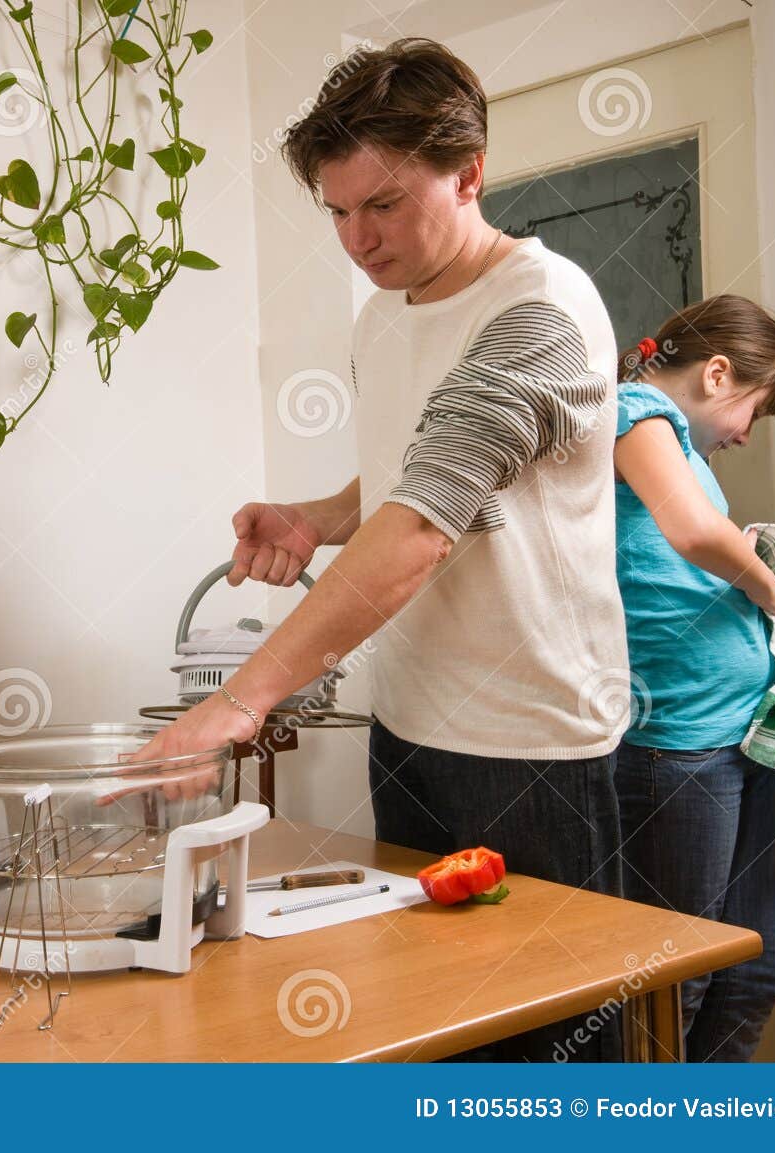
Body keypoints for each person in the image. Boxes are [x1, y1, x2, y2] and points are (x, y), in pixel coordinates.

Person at [131, 39, 628, 1060]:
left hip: (531, 749)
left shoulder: (540, 313)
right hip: (406, 728)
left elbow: (422, 524)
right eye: (338, 211)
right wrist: (315, 518)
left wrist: (241, 698)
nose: (358, 238)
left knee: (546, 1057)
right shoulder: (383, 317)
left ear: (470, 172)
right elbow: (406, 473)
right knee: (435, 1029)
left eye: (386, 205)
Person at [610, 295, 775, 1061]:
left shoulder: (681, 451)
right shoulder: (636, 410)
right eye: (753, 411)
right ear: (718, 372)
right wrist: (769, 587)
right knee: (675, 985)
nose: (746, 434)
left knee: (756, 970)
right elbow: (692, 532)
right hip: (675, 749)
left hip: (735, 739)